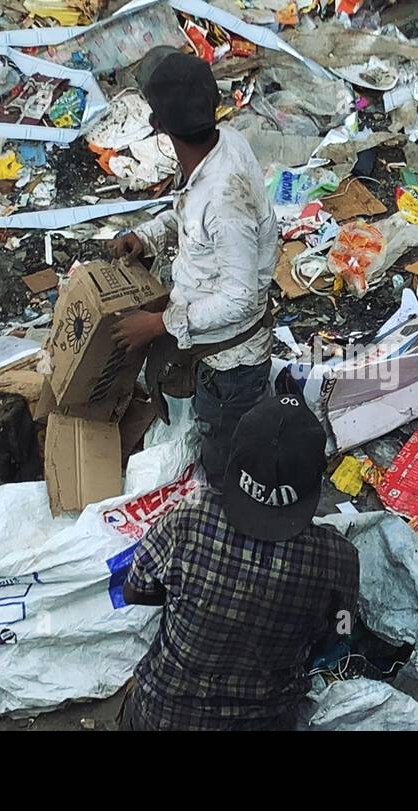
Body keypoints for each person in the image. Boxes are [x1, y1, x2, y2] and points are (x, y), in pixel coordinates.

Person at [119, 394, 360, 731]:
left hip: (161, 717)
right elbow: (340, 632)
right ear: (315, 482)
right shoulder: (340, 560)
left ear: (234, 460)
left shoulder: (188, 519)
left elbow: (135, 590)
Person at [109, 46, 277, 485]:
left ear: (157, 125)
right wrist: (148, 235)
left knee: (226, 460)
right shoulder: (222, 145)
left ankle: (233, 510)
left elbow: (239, 300)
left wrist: (158, 324)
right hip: (211, 347)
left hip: (231, 364)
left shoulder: (225, 198)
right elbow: (192, 214)